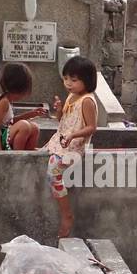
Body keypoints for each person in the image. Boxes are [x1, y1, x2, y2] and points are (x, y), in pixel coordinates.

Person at [44, 56, 99, 238]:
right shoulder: (72, 96)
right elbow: (63, 120)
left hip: (75, 146)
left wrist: (73, 135)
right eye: (66, 78)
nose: (68, 83)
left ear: (87, 81)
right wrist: (59, 109)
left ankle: (67, 214)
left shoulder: (87, 101)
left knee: (53, 172)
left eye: (74, 80)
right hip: (61, 140)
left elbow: (91, 127)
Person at [0, 63, 47, 150]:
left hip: (3, 136)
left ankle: (29, 153)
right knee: (24, 126)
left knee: (34, 128)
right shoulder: (3, 102)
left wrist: (31, 114)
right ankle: (17, 156)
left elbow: (10, 122)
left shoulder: (8, 101)